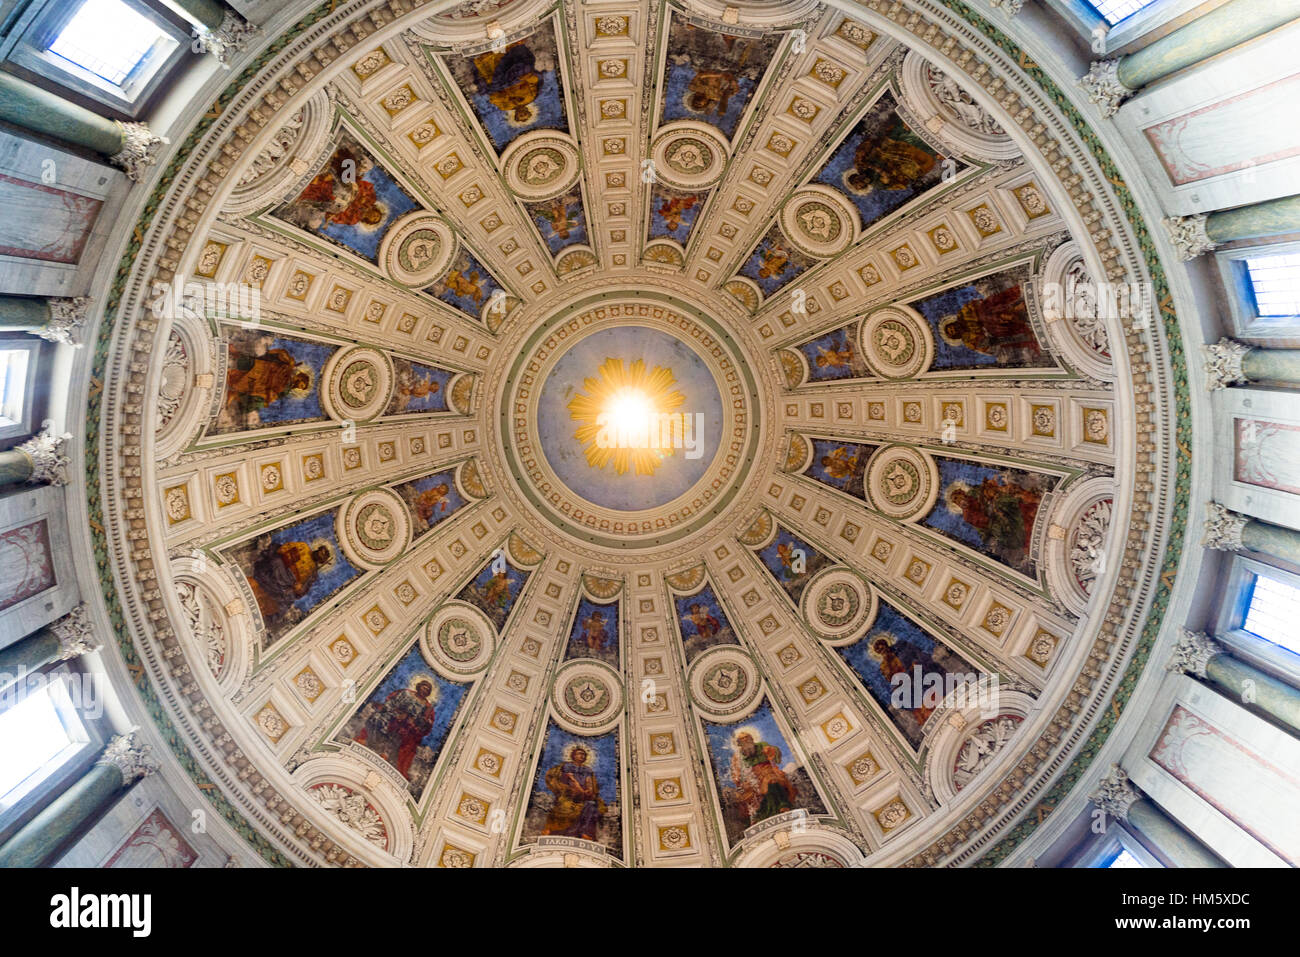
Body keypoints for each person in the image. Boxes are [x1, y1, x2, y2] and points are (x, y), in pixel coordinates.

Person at [355, 677, 437, 778]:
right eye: (423, 687)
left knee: (401, 731)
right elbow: (392, 703)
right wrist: (387, 709)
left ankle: (386, 752)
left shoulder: (427, 707)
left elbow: (423, 723)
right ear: (419, 686)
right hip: (394, 714)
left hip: (408, 723)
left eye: (427, 690)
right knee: (377, 718)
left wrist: (411, 720)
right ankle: (369, 741)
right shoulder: (406, 693)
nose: (424, 691)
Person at [248, 540, 332, 621]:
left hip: (290, 582)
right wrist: (284, 553)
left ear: (321, 561)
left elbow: (304, 589)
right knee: (276, 561)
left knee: (289, 597)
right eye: (320, 552)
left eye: (321, 557)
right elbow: (285, 548)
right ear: (318, 549)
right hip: (282, 567)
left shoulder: (313, 573)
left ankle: (270, 616)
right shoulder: (304, 547)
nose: (319, 555)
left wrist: (299, 588)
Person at [730, 732, 796, 824]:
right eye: (742, 739)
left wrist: (772, 750)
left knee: (771, 780)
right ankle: (760, 815)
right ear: (739, 744)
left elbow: (776, 755)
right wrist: (740, 782)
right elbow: (736, 773)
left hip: (768, 770)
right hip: (752, 777)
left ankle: (782, 805)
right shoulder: (737, 757)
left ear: (752, 739)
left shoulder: (762, 745)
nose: (745, 740)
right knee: (750, 793)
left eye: (747, 737)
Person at [543, 745, 604, 839]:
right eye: (579, 754)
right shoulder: (568, 766)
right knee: (564, 806)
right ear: (573, 755)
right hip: (569, 794)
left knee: (592, 806)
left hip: (583, 797)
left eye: (584, 754)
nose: (582, 756)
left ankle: (584, 832)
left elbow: (589, 781)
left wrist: (589, 791)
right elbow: (572, 780)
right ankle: (552, 830)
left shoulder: (587, 769)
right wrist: (580, 791)